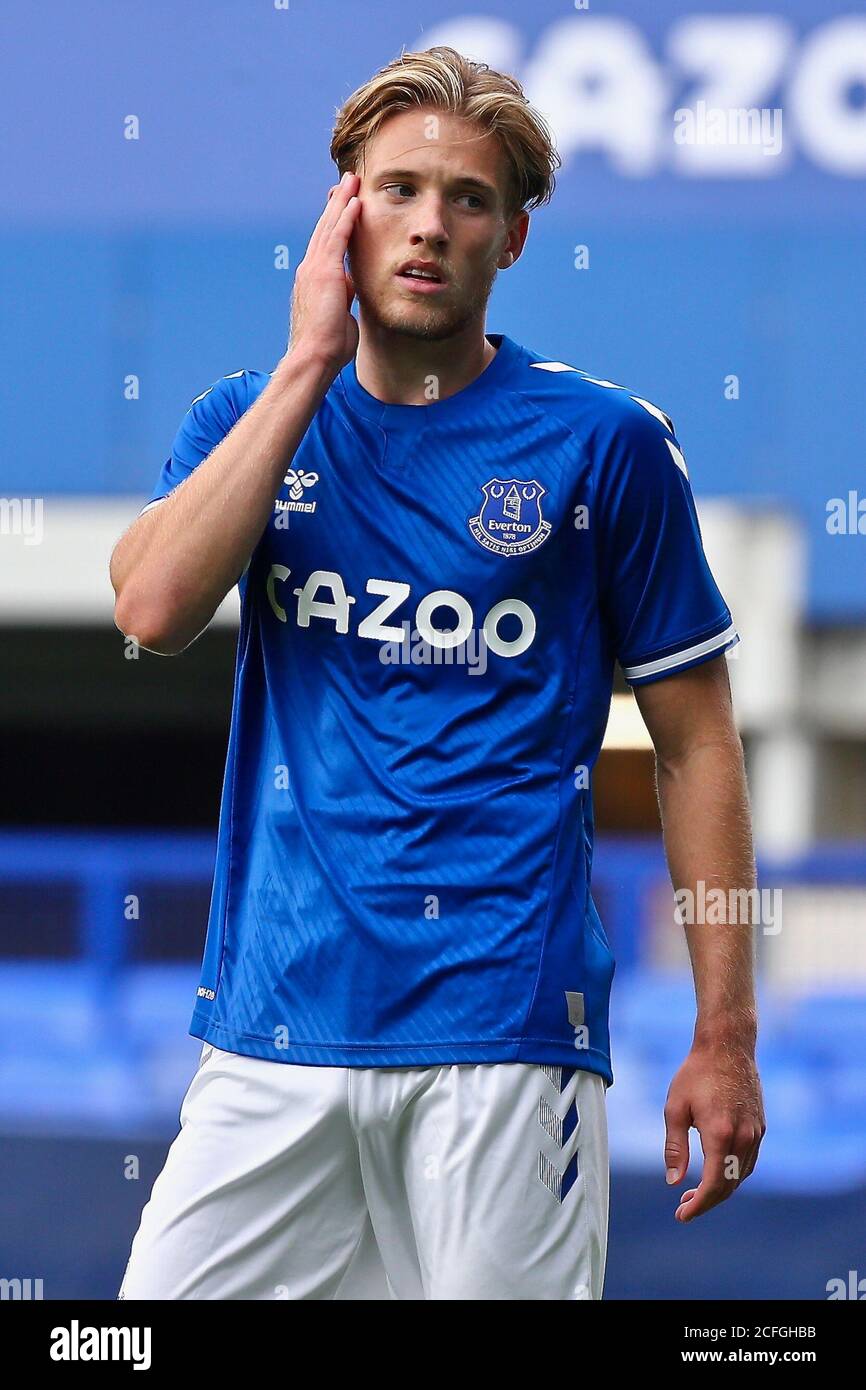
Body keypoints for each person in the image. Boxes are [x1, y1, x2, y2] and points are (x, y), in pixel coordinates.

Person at [111, 45, 765, 1301]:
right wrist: (307, 364)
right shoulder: (248, 419)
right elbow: (151, 607)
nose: (428, 226)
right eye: (397, 188)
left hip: (504, 1041)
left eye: (467, 199)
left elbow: (695, 744)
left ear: (513, 238)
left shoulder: (604, 445)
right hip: (272, 1036)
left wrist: (722, 1034)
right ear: (341, 210)